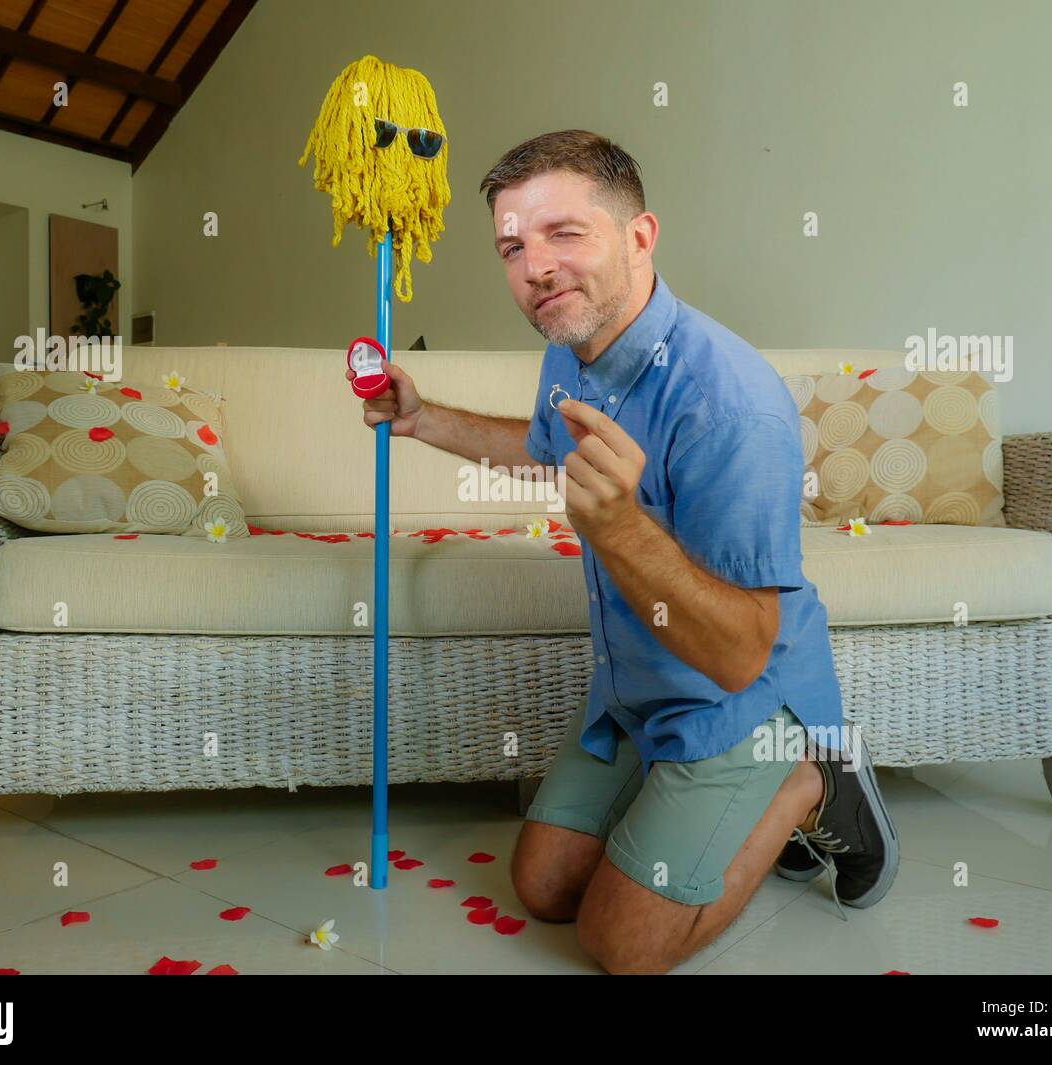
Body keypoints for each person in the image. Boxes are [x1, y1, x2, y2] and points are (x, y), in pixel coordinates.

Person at [348, 129, 898, 974]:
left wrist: (619, 525)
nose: (535, 266)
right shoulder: (572, 351)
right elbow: (544, 452)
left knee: (621, 944)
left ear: (640, 238)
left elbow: (744, 651)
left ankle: (810, 779)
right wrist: (423, 419)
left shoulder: (731, 406)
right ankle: (720, 809)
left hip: (740, 694)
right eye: (513, 246)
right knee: (543, 884)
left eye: (564, 233)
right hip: (636, 685)